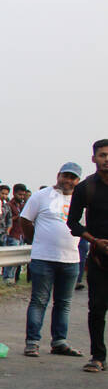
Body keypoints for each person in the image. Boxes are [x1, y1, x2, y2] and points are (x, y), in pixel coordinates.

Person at [20, 163, 85, 357]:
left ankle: (59, 342)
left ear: (78, 181)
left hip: (71, 259)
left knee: (63, 303)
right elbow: (25, 220)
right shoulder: (42, 196)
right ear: (58, 176)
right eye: (65, 176)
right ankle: (32, 342)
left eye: (72, 178)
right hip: (43, 258)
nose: (68, 180)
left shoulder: (81, 200)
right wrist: (35, 240)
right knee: (39, 300)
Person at [67, 139, 108, 372]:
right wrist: (94, 241)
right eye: (102, 155)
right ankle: (98, 356)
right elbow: (72, 222)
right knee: (97, 307)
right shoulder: (86, 188)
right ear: (94, 159)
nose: (107, 159)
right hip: (99, 258)